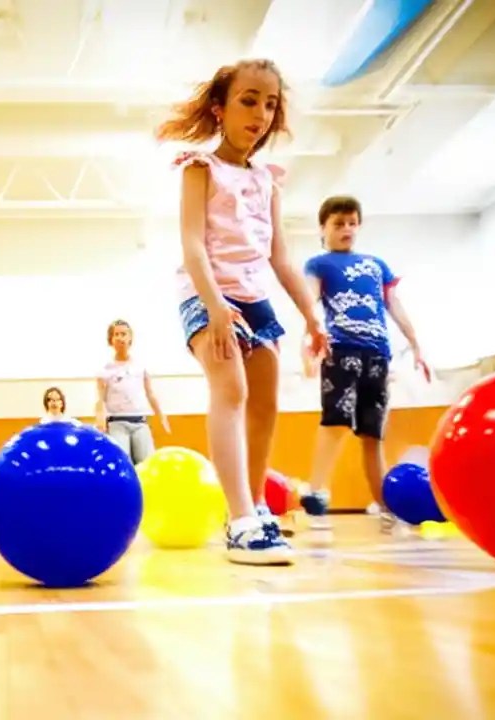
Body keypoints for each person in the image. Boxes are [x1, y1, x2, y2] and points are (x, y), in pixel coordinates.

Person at [154, 58, 329, 565]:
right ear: (219, 109)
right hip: (206, 294)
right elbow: (192, 245)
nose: (260, 113)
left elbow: (280, 258)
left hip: (254, 297)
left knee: (266, 402)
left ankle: (255, 506)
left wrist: (312, 319)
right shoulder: (199, 169)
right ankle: (240, 522)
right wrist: (214, 308)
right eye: (248, 101)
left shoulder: (268, 180)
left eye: (270, 104)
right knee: (231, 389)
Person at [301, 196, 430, 533]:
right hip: (341, 349)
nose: (346, 229)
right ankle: (316, 492)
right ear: (323, 228)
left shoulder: (376, 264)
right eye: (338, 223)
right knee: (336, 419)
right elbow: (311, 300)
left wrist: (415, 343)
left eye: (351, 223)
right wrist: (309, 338)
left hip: (378, 353)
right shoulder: (319, 264)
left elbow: (393, 304)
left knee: (372, 432)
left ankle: (385, 504)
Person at [94, 320, 169, 464]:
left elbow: (150, 393)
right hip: (117, 423)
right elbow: (100, 399)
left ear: (130, 338)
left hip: (140, 422)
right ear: (111, 339)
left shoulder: (141, 365)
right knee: (122, 462)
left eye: (124, 334)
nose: (120, 338)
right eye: (116, 334)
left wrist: (161, 416)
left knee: (147, 462)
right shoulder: (105, 368)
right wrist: (100, 423)